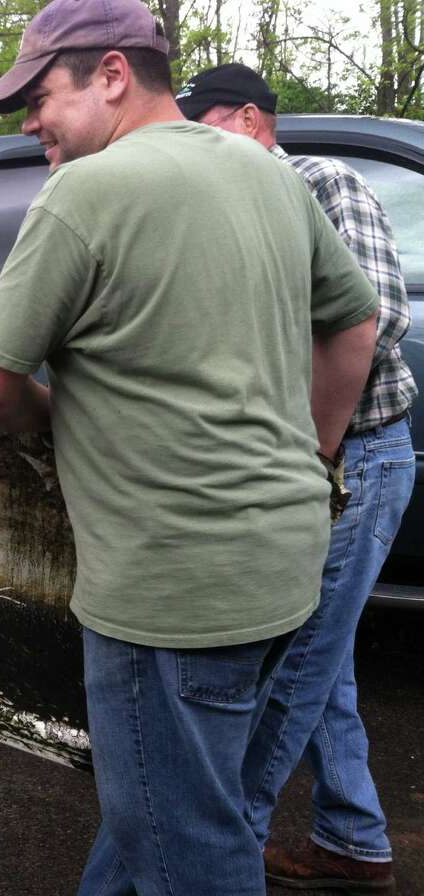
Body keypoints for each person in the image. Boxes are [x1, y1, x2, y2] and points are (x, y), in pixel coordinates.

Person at [0, 1, 380, 892]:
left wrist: (56, 415)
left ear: (112, 74)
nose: (31, 121)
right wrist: (312, 450)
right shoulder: (269, 174)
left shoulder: (86, 191)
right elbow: (356, 325)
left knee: (193, 846)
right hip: (284, 558)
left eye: (40, 96)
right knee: (165, 799)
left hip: (172, 588)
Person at [177, 63, 416, 893]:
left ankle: (221, 848)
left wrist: (302, 443)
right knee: (328, 661)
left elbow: (377, 316)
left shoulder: (321, 182)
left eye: (202, 124)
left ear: (249, 120)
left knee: (296, 667)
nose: (189, 145)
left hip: (354, 458)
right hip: (304, 462)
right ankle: (353, 837)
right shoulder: (216, 205)